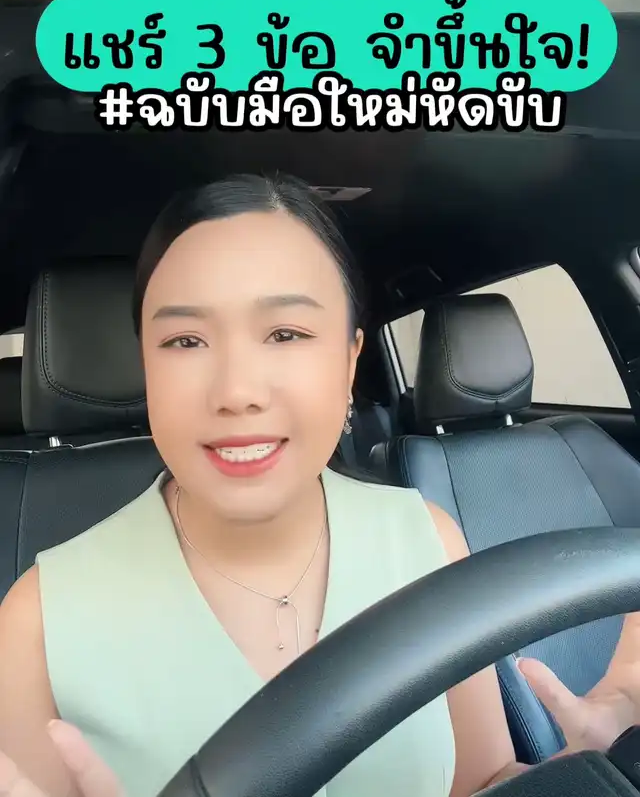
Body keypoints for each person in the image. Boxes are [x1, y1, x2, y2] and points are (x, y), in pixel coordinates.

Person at [0, 173, 639, 797]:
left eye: (286, 334)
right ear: (147, 367)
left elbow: (478, 781)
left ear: (350, 359)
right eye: (186, 340)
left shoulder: (425, 539)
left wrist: (586, 768)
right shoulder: (38, 620)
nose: (236, 392)